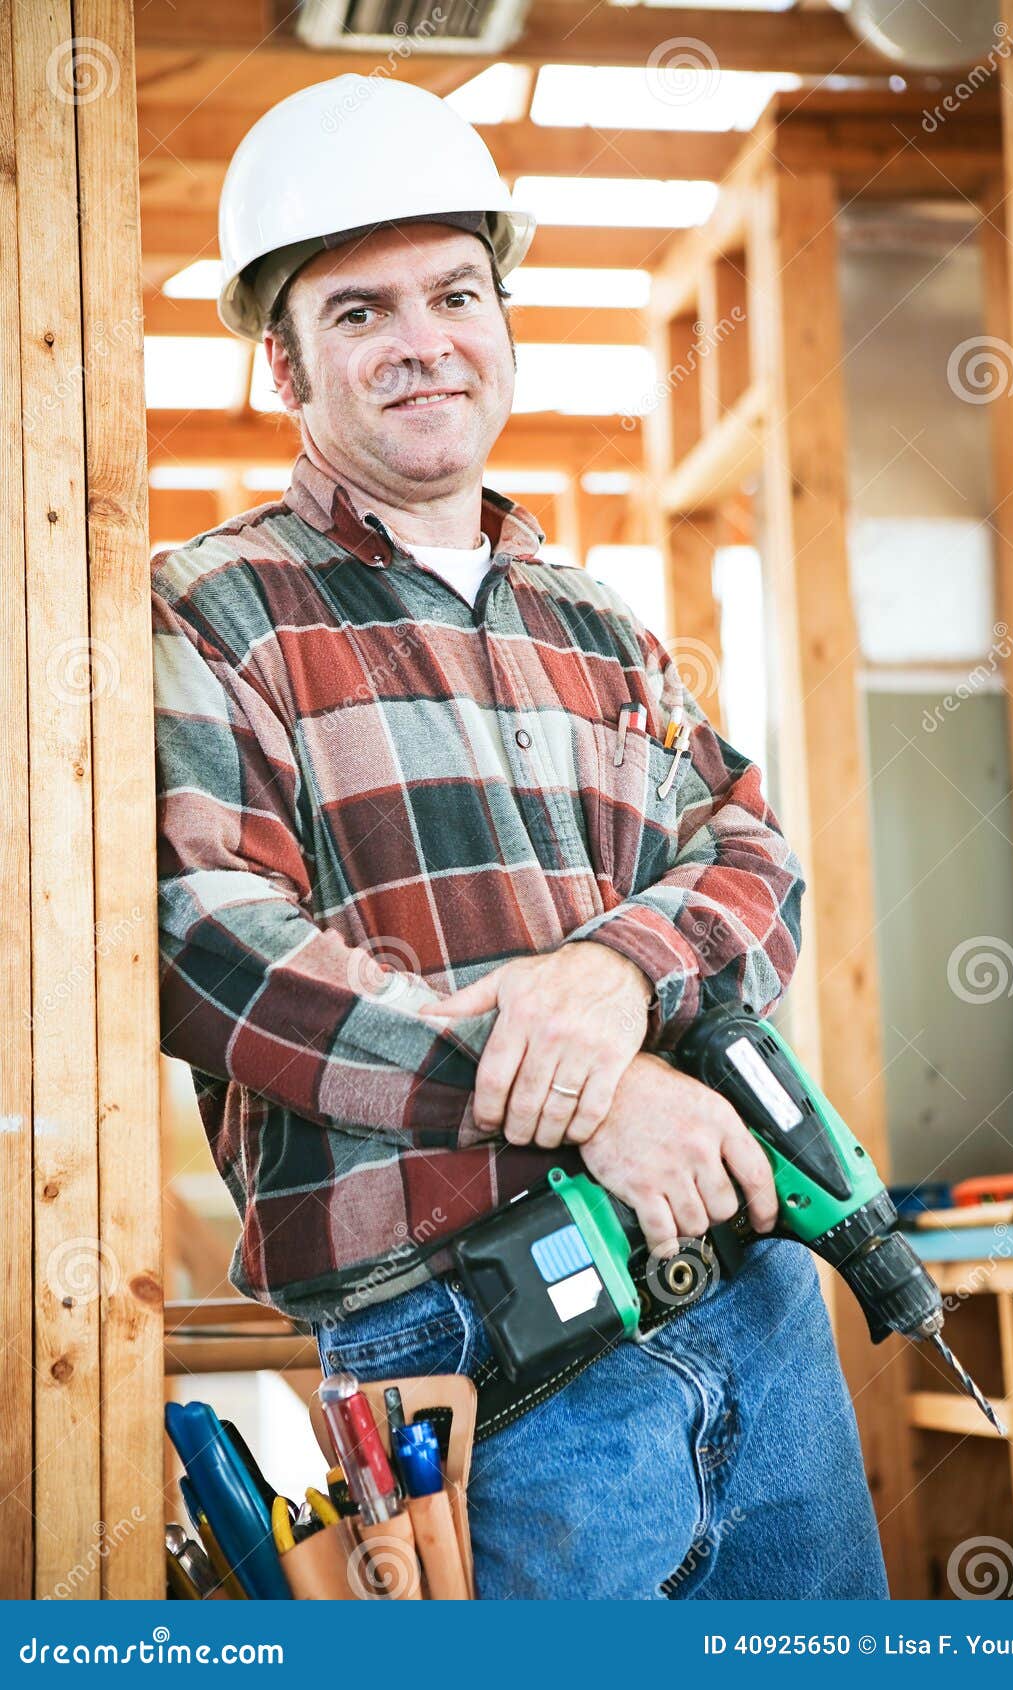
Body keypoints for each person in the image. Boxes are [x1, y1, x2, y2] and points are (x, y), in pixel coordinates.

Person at [152, 73, 888, 1600]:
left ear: (503, 315)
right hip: (464, 1349)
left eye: (456, 292)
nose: (424, 340)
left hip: (751, 1293)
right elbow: (211, 947)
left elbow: (753, 855)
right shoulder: (210, 608)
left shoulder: (600, 621)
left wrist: (622, 975)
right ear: (281, 361)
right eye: (359, 312)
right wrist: (587, 1093)